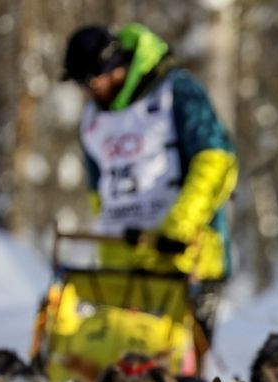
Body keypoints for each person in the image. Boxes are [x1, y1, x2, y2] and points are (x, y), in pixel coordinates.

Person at [62, 23, 237, 361]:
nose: (87, 92)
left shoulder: (176, 91)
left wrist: (178, 227)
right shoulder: (93, 120)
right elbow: (100, 189)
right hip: (122, 267)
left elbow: (216, 160)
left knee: (179, 380)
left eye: (89, 82)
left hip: (188, 260)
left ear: (112, 70)